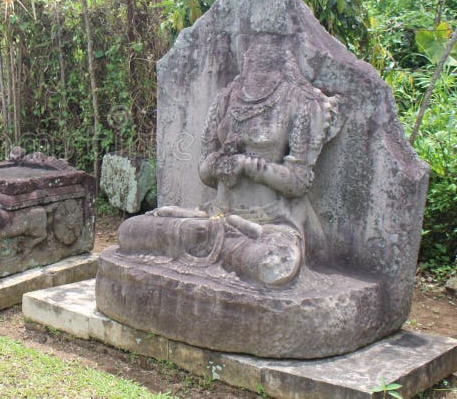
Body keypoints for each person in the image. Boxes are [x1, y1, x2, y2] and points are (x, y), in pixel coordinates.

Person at [117, 36, 341, 287]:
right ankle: (213, 245)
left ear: (282, 60)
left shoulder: (301, 101)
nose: (257, 56)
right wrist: (218, 162)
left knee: (273, 265)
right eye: (253, 53)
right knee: (130, 232)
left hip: (267, 225)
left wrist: (248, 166)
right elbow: (204, 170)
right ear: (246, 58)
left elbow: (299, 181)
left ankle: (230, 252)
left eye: (265, 53)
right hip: (213, 217)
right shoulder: (227, 97)